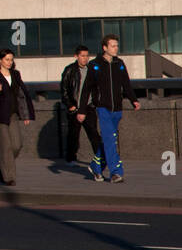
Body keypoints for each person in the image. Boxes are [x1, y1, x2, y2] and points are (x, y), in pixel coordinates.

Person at [78, 34, 141, 184]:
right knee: (111, 140)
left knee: (109, 140)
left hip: (117, 108)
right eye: (113, 46)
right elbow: (86, 89)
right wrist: (81, 110)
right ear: (104, 48)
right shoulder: (95, 65)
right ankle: (116, 172)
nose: (116, 48)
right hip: (102, 108)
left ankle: (95, 166)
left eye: (117, 45)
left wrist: (134, 100)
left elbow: (126, 84)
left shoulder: (119, 63)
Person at [0, 49, 34, 186]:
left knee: (16, 145)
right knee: (5, 147)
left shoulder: (15, 74)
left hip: (13, 114)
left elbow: (22, 94)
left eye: (11, 59)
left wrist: (25, 114)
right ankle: (8, 177)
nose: (10, 62)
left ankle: (0, 163)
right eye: (7, 59)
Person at [59, 46, 102, 170]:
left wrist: (95, 103)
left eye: (87, 56)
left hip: (89, 107)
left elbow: (96, 88)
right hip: (75, 107)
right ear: (76, 56)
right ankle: (71, 158)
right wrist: (70, 105)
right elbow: (64, 90)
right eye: (82, 56)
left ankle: (100, 157)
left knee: (93, 134)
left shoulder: (92, 70)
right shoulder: (69, 70)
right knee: (73, 134)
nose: (85, 58)